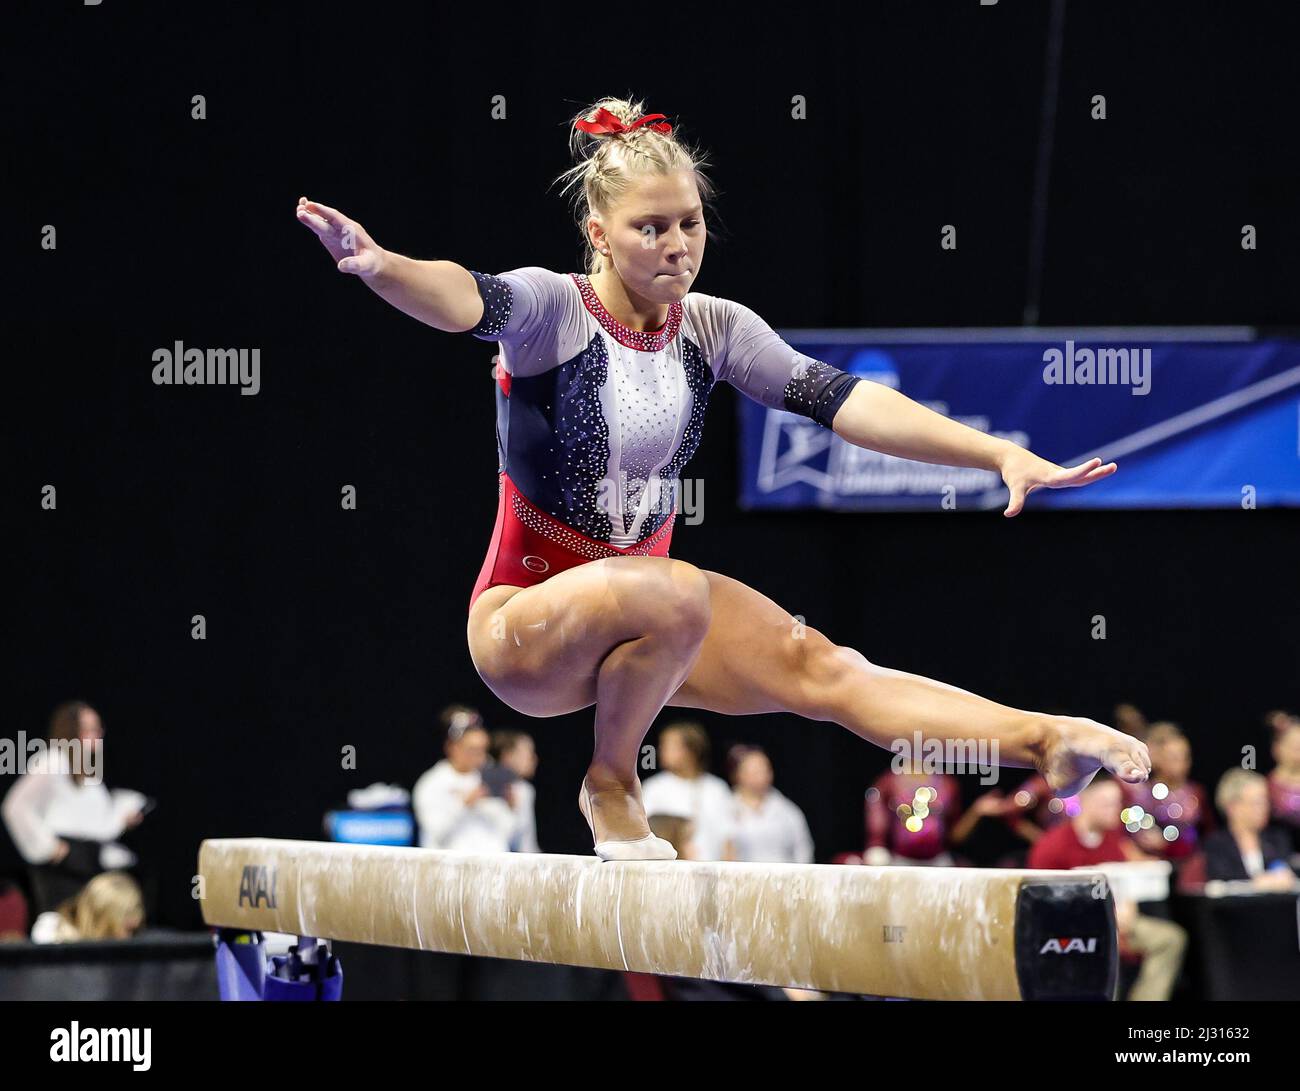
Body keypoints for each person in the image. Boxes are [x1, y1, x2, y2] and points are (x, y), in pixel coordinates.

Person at [295, 95, 1150, 861]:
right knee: (678, 593)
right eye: (650, 227)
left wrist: (993, 452)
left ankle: (1045, 740)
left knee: (823, 666)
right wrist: (382, 266)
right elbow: (467, 299)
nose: (677, 247)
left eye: (690, 225)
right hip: (526, 629)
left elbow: (842, 399)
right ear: (598, 232)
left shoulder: (714, 327)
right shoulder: (552, 310)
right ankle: (610, 780)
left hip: (653, 631)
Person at [1028, 774, 1186, 1001]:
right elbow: (1043, 903)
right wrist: (1102, 919)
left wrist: (1128, 910)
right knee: (1102, 949)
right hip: (1073, 928)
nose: (1115, 810)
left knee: (1170, 939)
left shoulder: (1114, 840)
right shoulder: (1051, 847)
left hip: (1118, 921)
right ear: (1085, 803)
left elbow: (1124, 881)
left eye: (1117, 803)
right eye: (1107, 804)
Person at [1, 701, 146, 915]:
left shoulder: (88, 770)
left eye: (98, 729)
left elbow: (92, 820)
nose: (97, 735)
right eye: (89, 730)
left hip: (89, 860)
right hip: (64, 867)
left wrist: (121, 819)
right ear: (71, 732)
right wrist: (48, 847)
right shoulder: (52, 762)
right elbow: (15, 807)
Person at [412, 706, 516, 852]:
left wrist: (512, 808)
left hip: (491, 864)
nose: (480, 756)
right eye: (472, 750)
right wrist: (464, 803)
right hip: (448, 866)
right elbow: (436, 833)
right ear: (452, 747)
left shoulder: (490, 778)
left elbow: (507, 833)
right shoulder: (432, 783)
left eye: (483, 750)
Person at [640, 722, 735, 860]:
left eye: (669, 746)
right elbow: (645, 835)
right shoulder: (654, 788)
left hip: (712, 871)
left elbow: (728, 839)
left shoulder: (717, 789)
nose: (661, 750)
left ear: (691, 751)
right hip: (671, 872)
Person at [1121, 722, 1213, 863]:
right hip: (1152, 866)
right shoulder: (1142, 794)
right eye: (1174, 758)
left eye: (1185, 757)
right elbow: (1128, 835)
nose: (1182, 764)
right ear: (1157, 758)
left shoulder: (1196, 792)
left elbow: (1208, 835)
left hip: (1190, 866)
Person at [1202, 769, 1297, 888]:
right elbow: (1221, 879)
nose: (1264, 808)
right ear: (1233, 807)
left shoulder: (1277, 839)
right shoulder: (1217, 843)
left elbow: (1285, 872)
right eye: (1257, 803)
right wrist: (1257, 883)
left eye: (1266, 802)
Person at [726, 745, 814, 863]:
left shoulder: (786, 809)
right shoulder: (726, 807)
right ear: (737, 774)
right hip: (742, 877)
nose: (761, 776)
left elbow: (803, 849)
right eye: (755, 771)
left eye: (765, 770)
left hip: (784, 877)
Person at [30, 872, 144, 943]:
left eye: (133, 932)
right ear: (102, 917)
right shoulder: (51, 931)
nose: (128, 939)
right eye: (127, 930)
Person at [491, 729, 540, 852]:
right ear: (508, 756)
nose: (534, 759)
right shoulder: (485, 783)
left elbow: (526, 842)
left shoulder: (525, 790)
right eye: (528, 753)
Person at [1267, 719, 1300, 849]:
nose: (1298, 750)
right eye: (1293, 745)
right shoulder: (1266, 786)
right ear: (1277, 748)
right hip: (1278, 856)